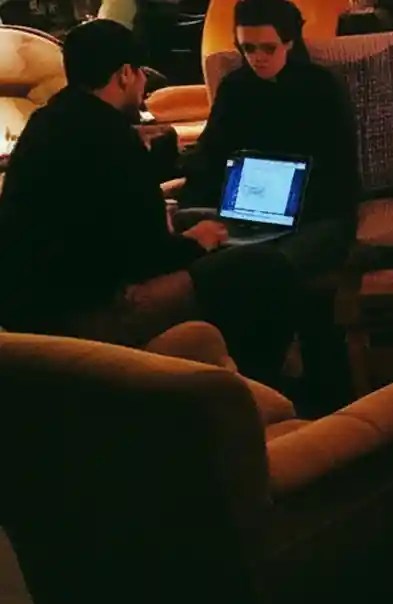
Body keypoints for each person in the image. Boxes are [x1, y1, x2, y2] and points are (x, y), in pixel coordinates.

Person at [0, 19, 296, 383]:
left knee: (205, 228)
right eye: (140, 74)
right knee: (263, 268)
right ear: (125, 74)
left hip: (25, 313)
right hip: (88, 314)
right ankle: (258, 390)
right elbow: (147, 257)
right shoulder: (111, 140)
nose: (142, 86)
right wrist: (196, 242)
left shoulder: (46, 123)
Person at [179, 0, 360, 280]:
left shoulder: (321, 87)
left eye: (268, 48)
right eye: (248, 48)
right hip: (248, 211)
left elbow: (342, 170)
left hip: (317, 213)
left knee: (270, 265)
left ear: (288, 43)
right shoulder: (234, 88)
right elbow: (211, 155)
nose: (258, 57)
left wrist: (290, 206)